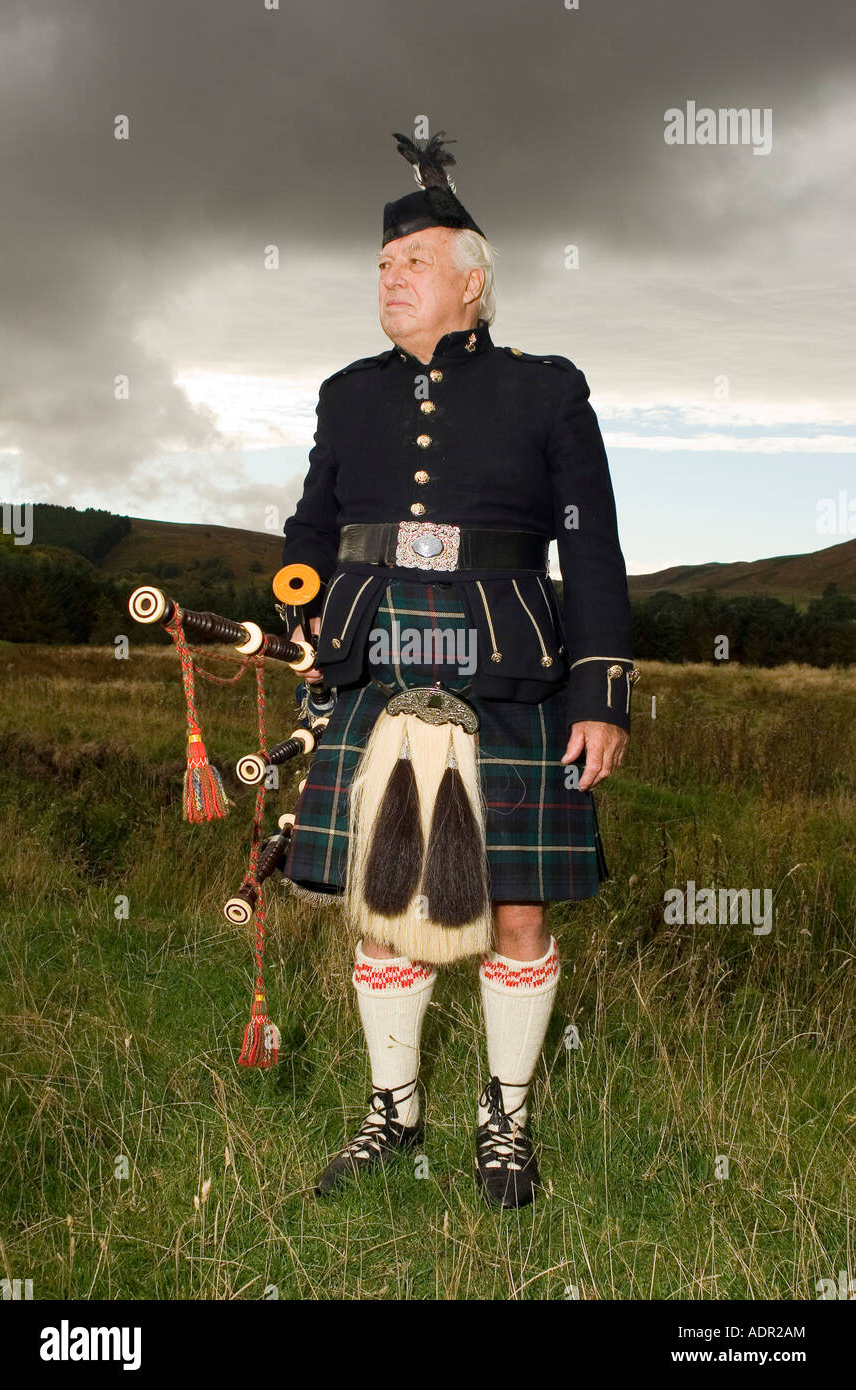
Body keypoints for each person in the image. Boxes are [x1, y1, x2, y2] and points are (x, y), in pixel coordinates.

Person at [280, 130, 637, 1208]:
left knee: (517, 909)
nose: (390, 277)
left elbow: (592, 548)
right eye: (383, 266)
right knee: (387, 904)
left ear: (471, 284)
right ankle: (393, 1110)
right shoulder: (346, 393)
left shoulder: (544, 391)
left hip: (508, 662)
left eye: (413, 262)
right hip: (372, 650)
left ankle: (506, 1119)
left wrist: (600, 692)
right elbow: (309, 527)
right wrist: (300, 597)